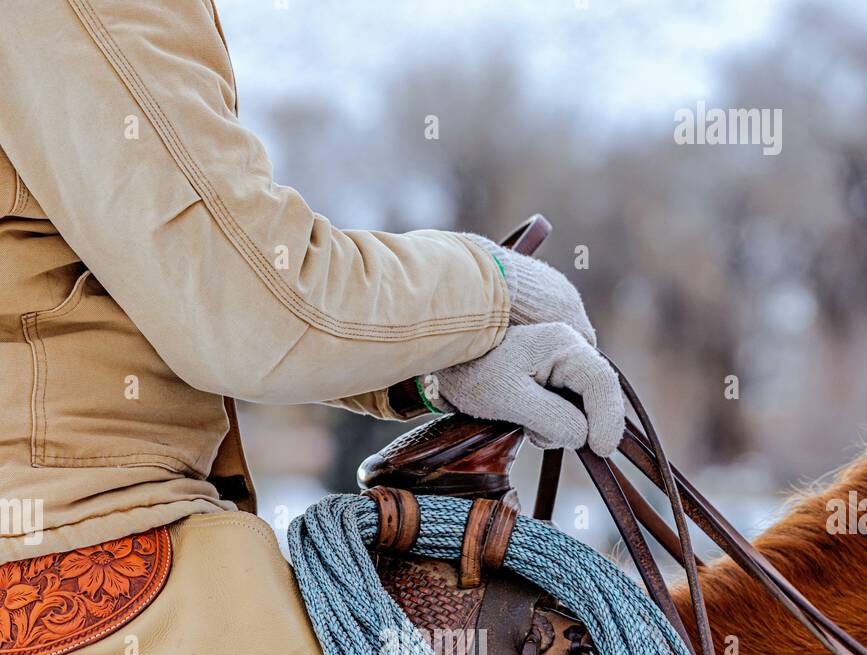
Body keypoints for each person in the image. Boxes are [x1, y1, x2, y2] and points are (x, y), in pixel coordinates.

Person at [0, 0, 624, 561]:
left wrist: (438, 368)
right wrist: (493, 289)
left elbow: (182, 288)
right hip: (74, 533)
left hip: (69, 519)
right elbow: (245, 306)